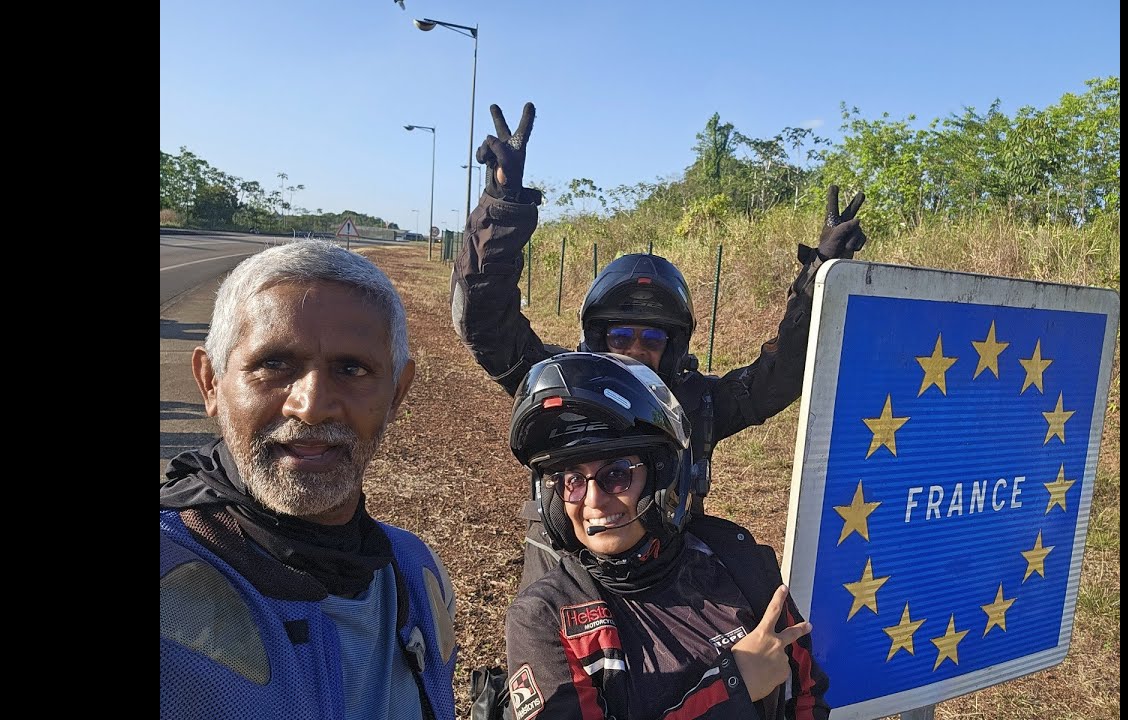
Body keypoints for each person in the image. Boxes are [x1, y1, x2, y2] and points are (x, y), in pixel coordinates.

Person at [450, 101, 872, 591]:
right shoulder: (557, 385)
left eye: (651, 338)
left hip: (667, 575)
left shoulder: (698, 404)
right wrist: (503, 206)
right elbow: (482, 319)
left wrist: (817, 275)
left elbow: (780, 376)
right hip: (567, 576)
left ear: (672, 348)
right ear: (596, 336)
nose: (633, 348)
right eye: (620, 335)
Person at [160, 239, 457, 720]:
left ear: (397, 393)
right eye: (274, 364)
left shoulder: (418, 576)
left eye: (351, 368)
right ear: (211, 382)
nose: (312, 405)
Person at [500, 351, 830, 720]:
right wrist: (732, 689)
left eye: (617, 474)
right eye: (572, 481)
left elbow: (807, 697)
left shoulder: (735, 560)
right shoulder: (544, 617)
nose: (593, 500)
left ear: (663, 477)